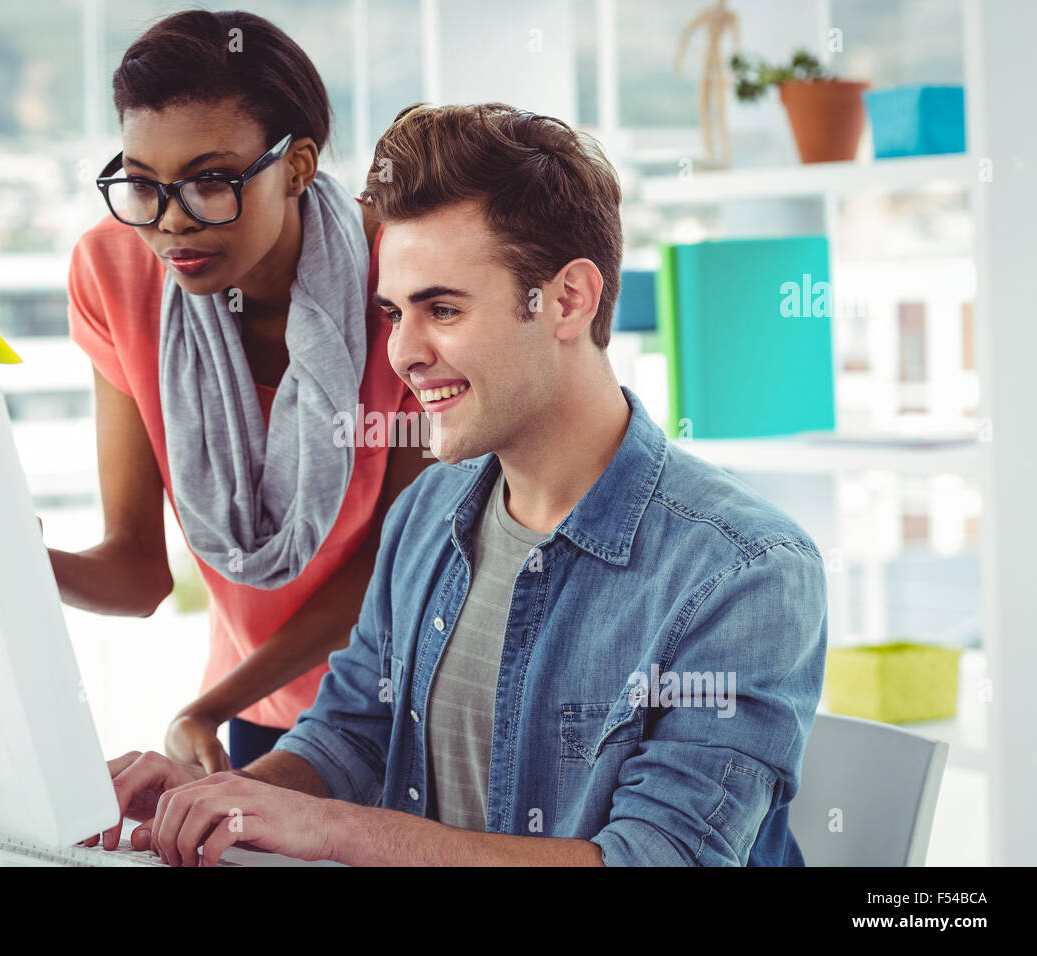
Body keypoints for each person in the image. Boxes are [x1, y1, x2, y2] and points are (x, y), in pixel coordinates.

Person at [86, 103, 828, 867]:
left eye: (442, 309)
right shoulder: (427, 513)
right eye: (391, 314)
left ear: (567, 300)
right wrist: (222, 802)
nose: (404, 353)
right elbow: (352, 737)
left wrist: (335, 830)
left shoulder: (746, 569)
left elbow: (661, 859)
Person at [52, 11, 431, 773]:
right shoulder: (115, 273)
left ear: (296, 168)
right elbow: (137, 573)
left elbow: (396, 568)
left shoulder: (404, 276)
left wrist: (207, 706)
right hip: (252, 707)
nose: (169, 225)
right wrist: (6, 559)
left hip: (403, 701)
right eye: (144, 186)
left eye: (212, 180)